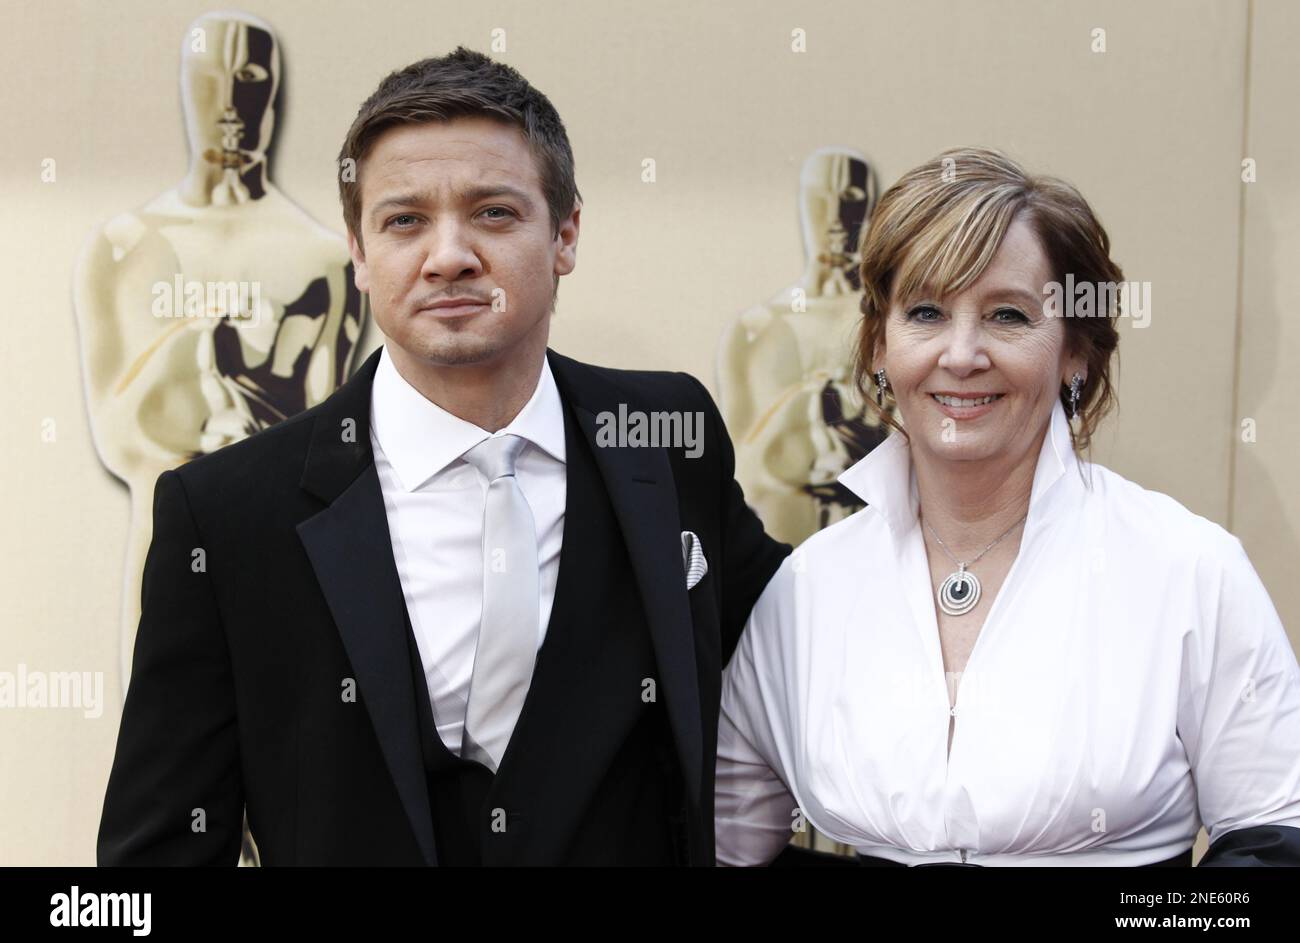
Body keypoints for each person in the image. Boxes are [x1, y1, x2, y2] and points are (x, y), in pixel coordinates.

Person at [97, 47, 789, 866]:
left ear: (565, 233)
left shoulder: (668, 436)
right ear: (357, 252)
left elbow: (795, 649)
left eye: (494, 212)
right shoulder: (227, 513)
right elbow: (157, 856)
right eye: (405, 220)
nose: (449, 255)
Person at [715, 147, 1300, 867]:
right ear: (879, 346)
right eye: (926, 312)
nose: (962, 355)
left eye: (1008, 316)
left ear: (1075, 354)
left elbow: (1274, 842)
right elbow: (728, 846)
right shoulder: (804, 590)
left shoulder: (1190, 570)